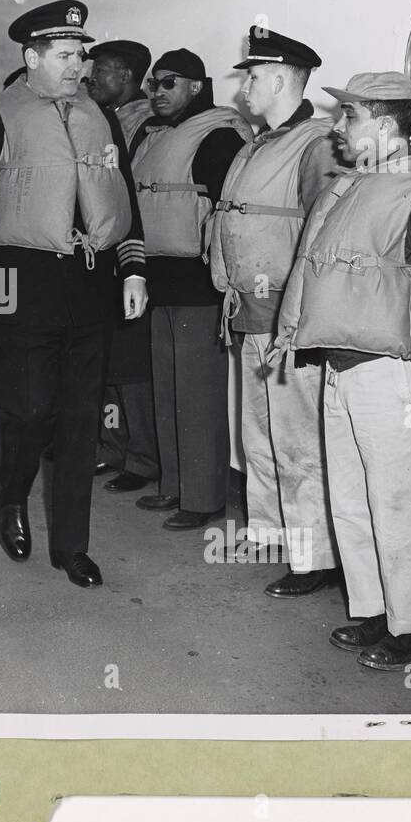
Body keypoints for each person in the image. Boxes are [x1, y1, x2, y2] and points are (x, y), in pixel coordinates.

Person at [275, 72, 411, 670]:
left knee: (402, 506)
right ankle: (372, 611)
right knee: (353, 501)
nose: (338, 127)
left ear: (387, 126)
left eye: (350, 117)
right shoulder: (352, 187)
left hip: (396, 375)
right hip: (343, 370)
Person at [0, 0, 147, 588]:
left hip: (89, 281)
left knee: (80, 418)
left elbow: (122, 193)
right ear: (31, 57)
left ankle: (72, 547)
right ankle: (13, 495)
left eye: (80, 54)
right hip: (23, 277)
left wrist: (133, 266)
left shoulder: (101, 118)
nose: (78, 66)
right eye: (65, 55)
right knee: (29, 408)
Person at [208, 27, 341, 597]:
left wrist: (304, 320)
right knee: (258, 434)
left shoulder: (316, 145)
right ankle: (270, 533)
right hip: (248, 310)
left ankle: (314, 560)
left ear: (283, 78)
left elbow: (325, 236)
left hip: (287, 317)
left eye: (253, 76)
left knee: (296, 442)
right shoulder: (256, 142)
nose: (244, 88)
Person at [131, 49, 250, 529]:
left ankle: (203, 499)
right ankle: (175, 485)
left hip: (198, 284)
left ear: (197, 86)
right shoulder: (155, 136)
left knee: (197, 396)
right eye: (154, 84)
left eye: (169, 83)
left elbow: (228, 216)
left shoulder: (218, 136)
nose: (157, 92)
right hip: (158, 279)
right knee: (167, 389)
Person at [86, 40, 159, 492]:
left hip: (133, 254)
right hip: (107, 253)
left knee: (132, 368)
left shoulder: (147, 124)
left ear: (128, 75)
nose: (93, 78)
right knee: (108, 364)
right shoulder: (102, 118)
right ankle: (111, 449)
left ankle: (142, 458)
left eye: (105, 71)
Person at [87, 39, 154, 150]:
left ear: (125, 76)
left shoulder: (144, 124)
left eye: (99, 71)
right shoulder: (111, 114)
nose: (91, 78)